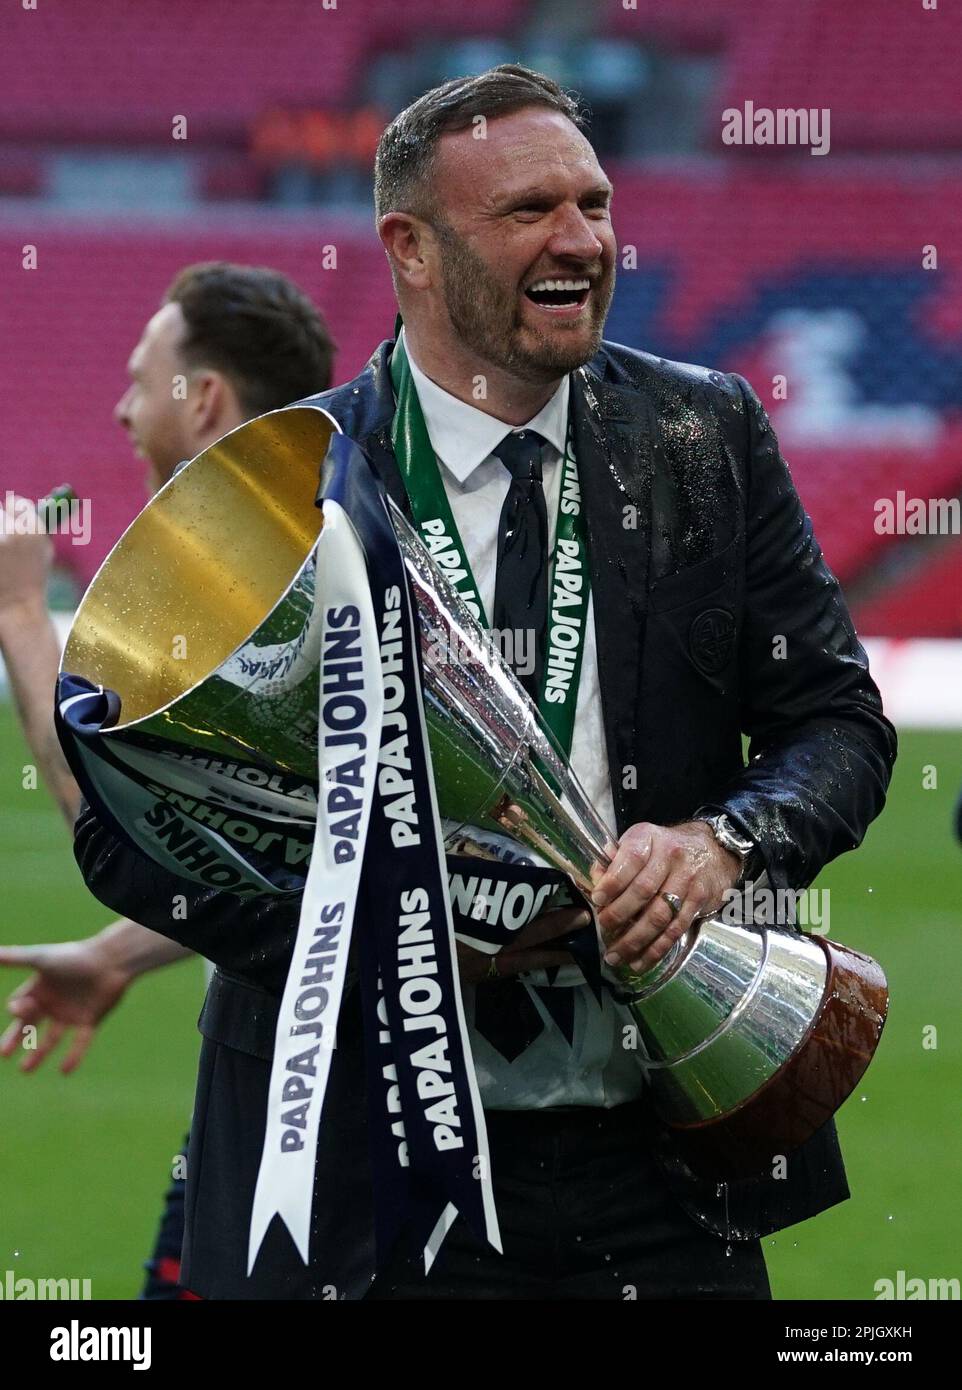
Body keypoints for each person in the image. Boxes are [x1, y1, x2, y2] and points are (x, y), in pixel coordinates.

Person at [72, 67, 897, 1300]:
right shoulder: (289, 491)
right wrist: (396, 930)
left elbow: (836, 724)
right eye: (527, 212)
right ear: (408, 247)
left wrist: (719, 843)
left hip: (653, 1154)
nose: (580, 241)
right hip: (358, 1165)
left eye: (594, 202)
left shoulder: (701, 437)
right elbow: (133, 838)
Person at [0, 262, 335, 1297]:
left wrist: (20, 614)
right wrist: (117, 955)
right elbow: (279, 872)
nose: (120, 407)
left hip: (309, 1101)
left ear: (203, 402)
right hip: (282, 1079)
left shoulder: (261, 590)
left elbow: (130, 834)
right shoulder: (319, 544)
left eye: (141, 379)